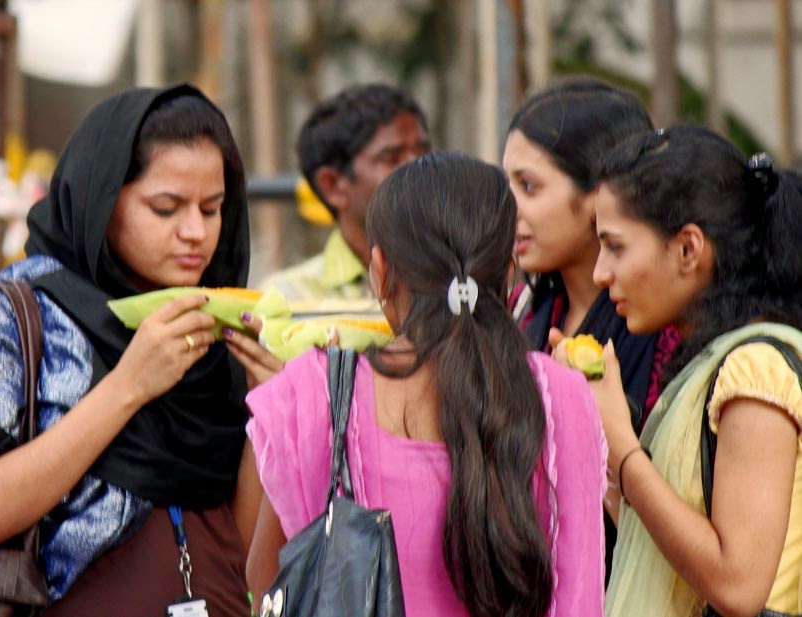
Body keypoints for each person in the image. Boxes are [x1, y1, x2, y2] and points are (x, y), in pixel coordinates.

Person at [0, 84, 252, 616]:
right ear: (101, 199)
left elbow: (241, 540)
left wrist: (273, 410)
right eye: (166, 208)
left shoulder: (212, 324)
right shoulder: (12, 317)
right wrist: (129, 385)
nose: (195, 232)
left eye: (212, 209)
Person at [243, 152, 608, 616]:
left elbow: (265, 579)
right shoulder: (561, 395)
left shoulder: (312, 393)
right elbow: (580, 596)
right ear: (508, 273)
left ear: (380, 271)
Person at [578, 126, 802, 617]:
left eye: (615, 247)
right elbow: (666, 551)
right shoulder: (709, 357)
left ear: (687, 249)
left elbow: (738, 585)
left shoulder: (757, 369)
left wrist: (623, 450)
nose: (600, 273)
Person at [502, 76, 678, 581]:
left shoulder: (666, 328)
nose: (508, 206)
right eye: (506, 185)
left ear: (602, 192)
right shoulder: (525, 310)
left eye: (529, 186)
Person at [256, 83, 431, 302]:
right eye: (392, 158)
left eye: (425, 153)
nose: (420, 169)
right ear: (333, 186)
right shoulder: (288, 298)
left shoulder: (463, 282)